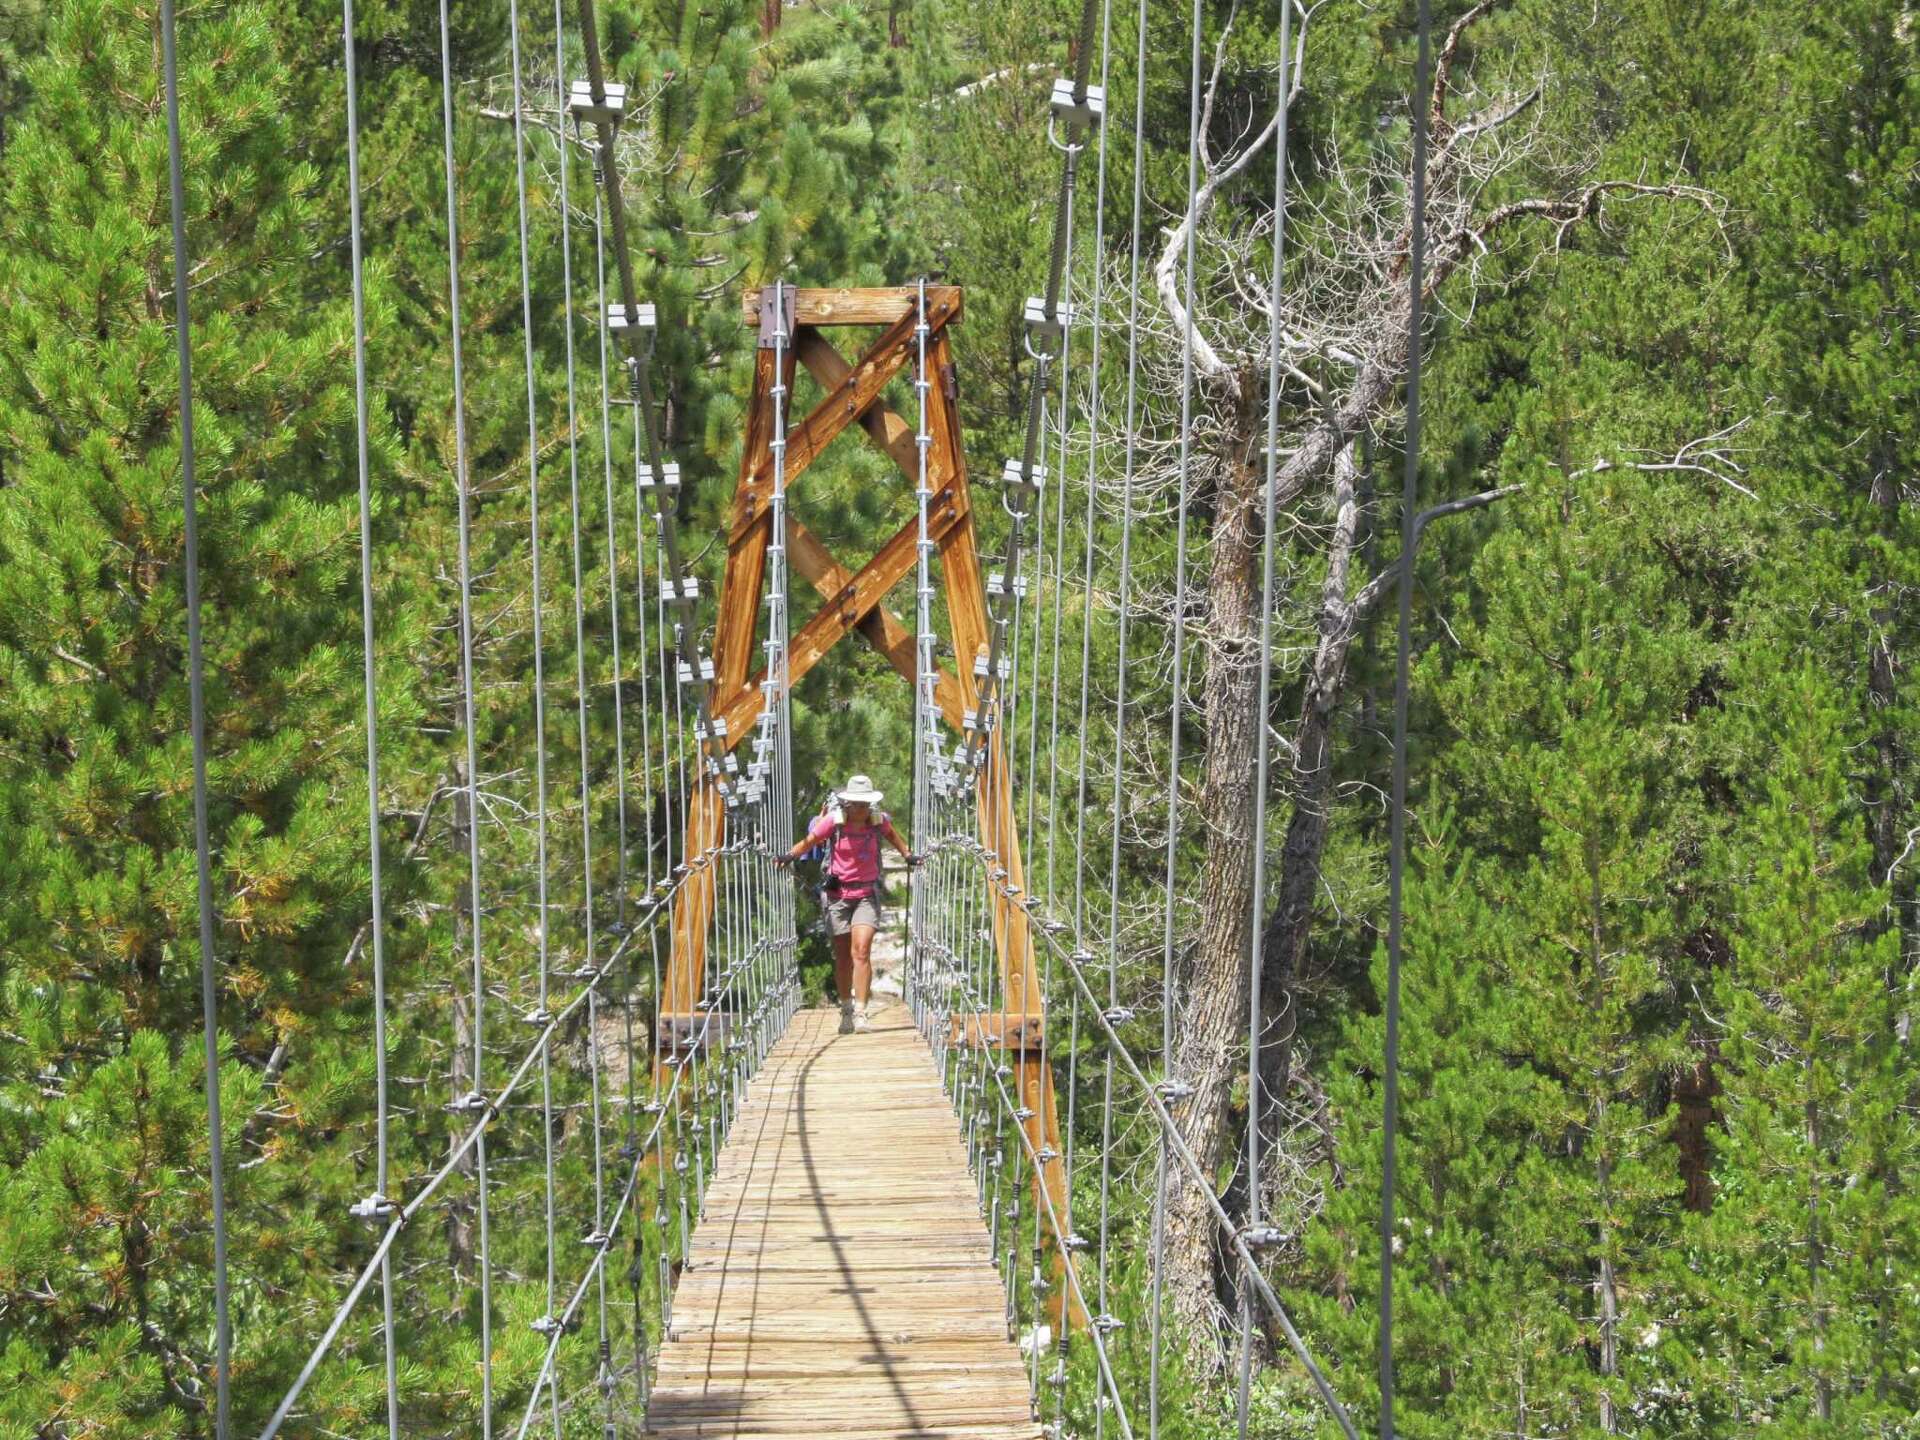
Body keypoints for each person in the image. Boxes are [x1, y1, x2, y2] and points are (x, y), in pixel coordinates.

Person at [775, 773, 916, 1034]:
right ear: (847, 803)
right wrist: (788, 855)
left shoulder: (878, 821)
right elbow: (810, 841)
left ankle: (862, 1013)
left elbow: (893, 836)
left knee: (861, 951)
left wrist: (908, 854)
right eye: (856, 804)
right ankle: (847, 1009)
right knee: (842, 956)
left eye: (864, 804)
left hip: (866, 895)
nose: (860, 809)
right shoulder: (833, 822)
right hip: (838, 896)